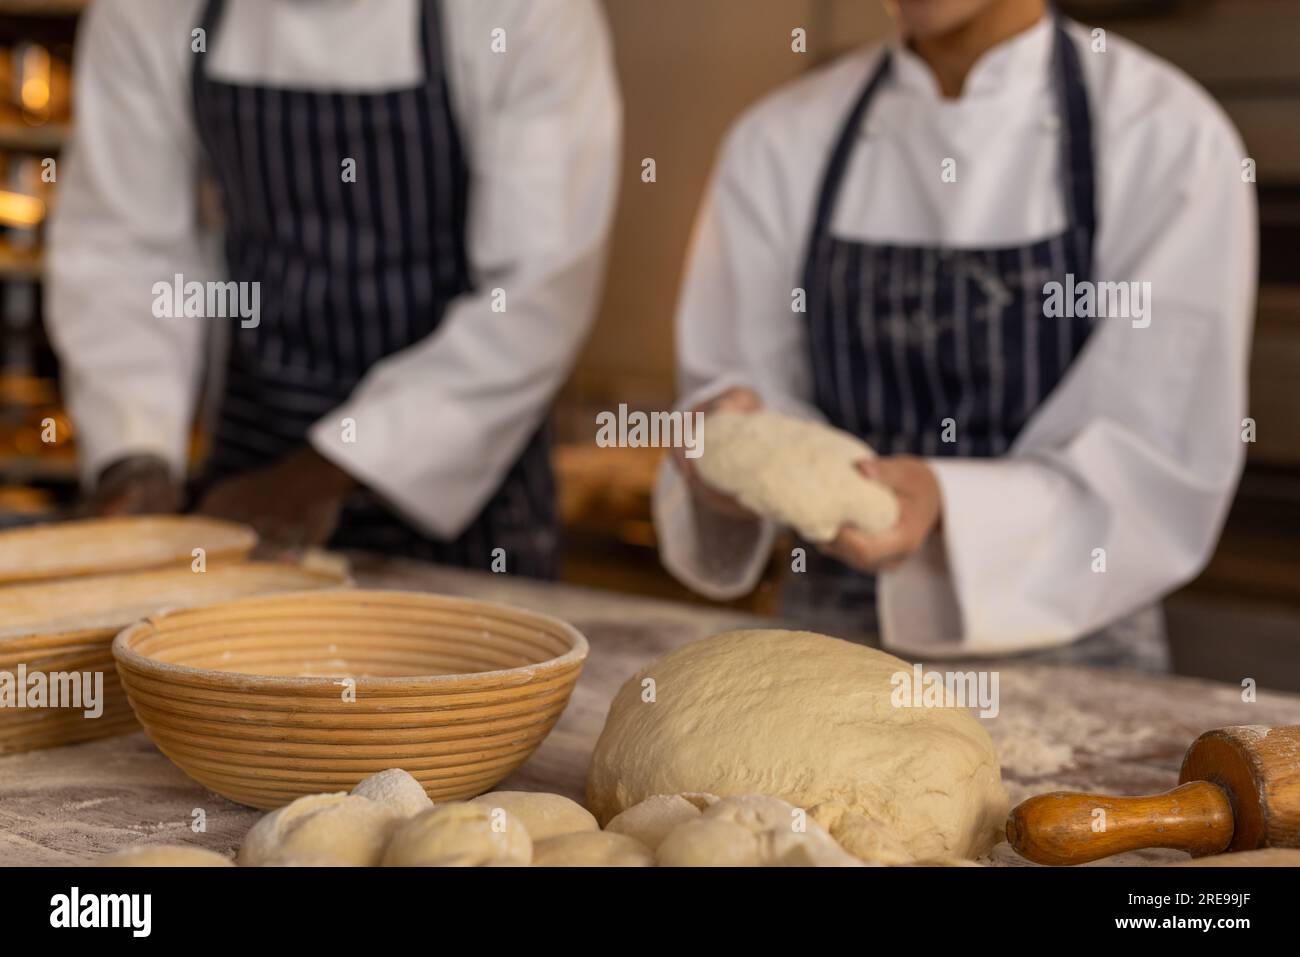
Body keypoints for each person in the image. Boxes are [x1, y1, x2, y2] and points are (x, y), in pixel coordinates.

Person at [658, 0, 1256, 670]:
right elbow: (744, 391)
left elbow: (1156, 458)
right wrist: (726, 448)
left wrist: (949, 502)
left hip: (1078, 649)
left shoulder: (1169, 138)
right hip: (825, 650)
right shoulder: (780, 140)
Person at [47, 0, 621, 578]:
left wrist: (328, 471)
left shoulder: (524, 14)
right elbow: (122, 247)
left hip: (466, 505)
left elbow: (533, 293)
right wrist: (135, 452)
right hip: (247, 477)